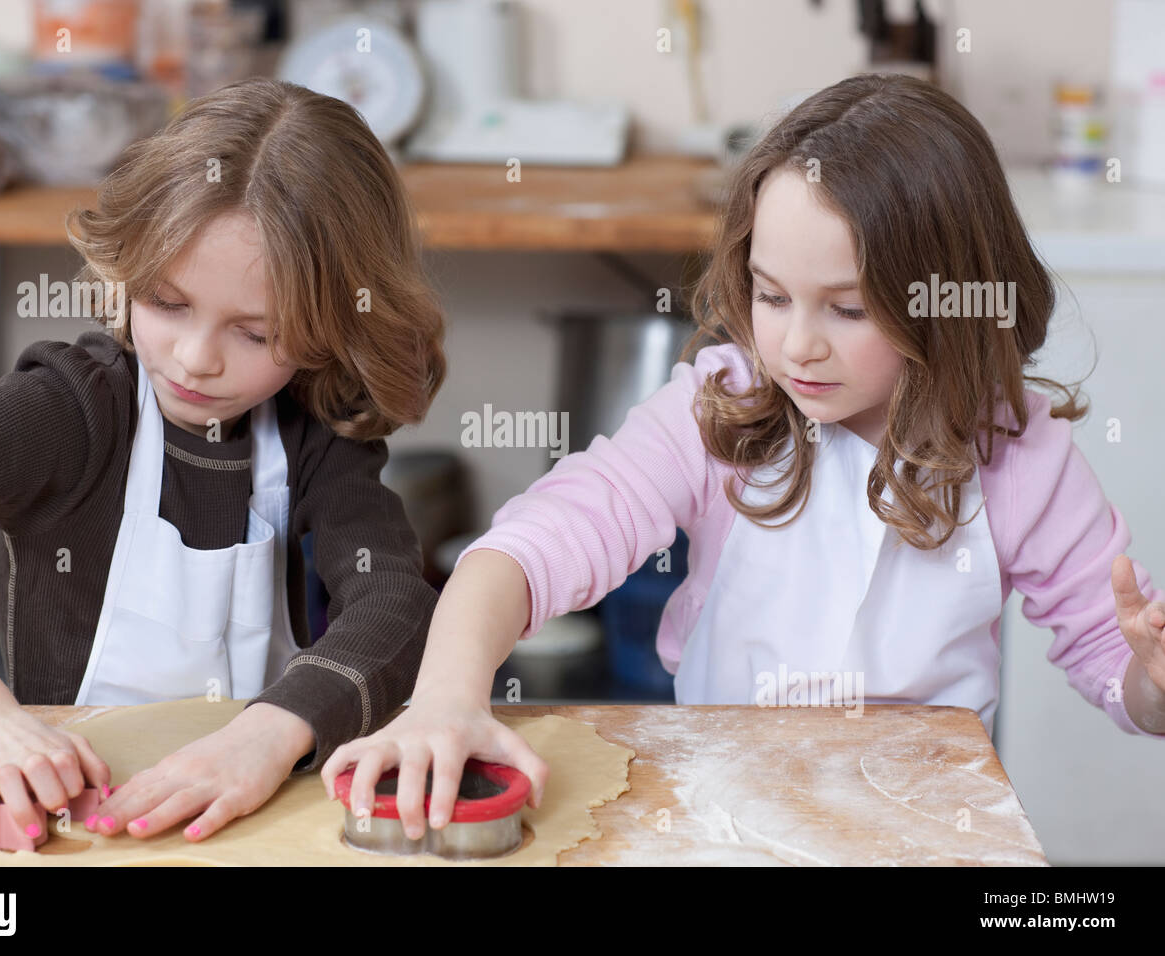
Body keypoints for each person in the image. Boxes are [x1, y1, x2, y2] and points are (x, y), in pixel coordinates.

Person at [321, 72, 1165, 843]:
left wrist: (1153, 682)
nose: (796, 344)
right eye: (770, 295)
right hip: (724, 805)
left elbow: (1112, 660)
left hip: (925, 819)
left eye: (847, 309)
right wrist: (444, 698)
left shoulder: (1015, 449)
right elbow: (535, 543)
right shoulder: (723, 409)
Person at [0, 78, 446, 843]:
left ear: (332, 328)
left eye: (257, 333)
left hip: (252, 815)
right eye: (168, 304)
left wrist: (268, 736)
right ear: (127, 263)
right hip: (77, 821)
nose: (196, 359)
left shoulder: (312, 434)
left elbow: (395, 602)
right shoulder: (73, 410)